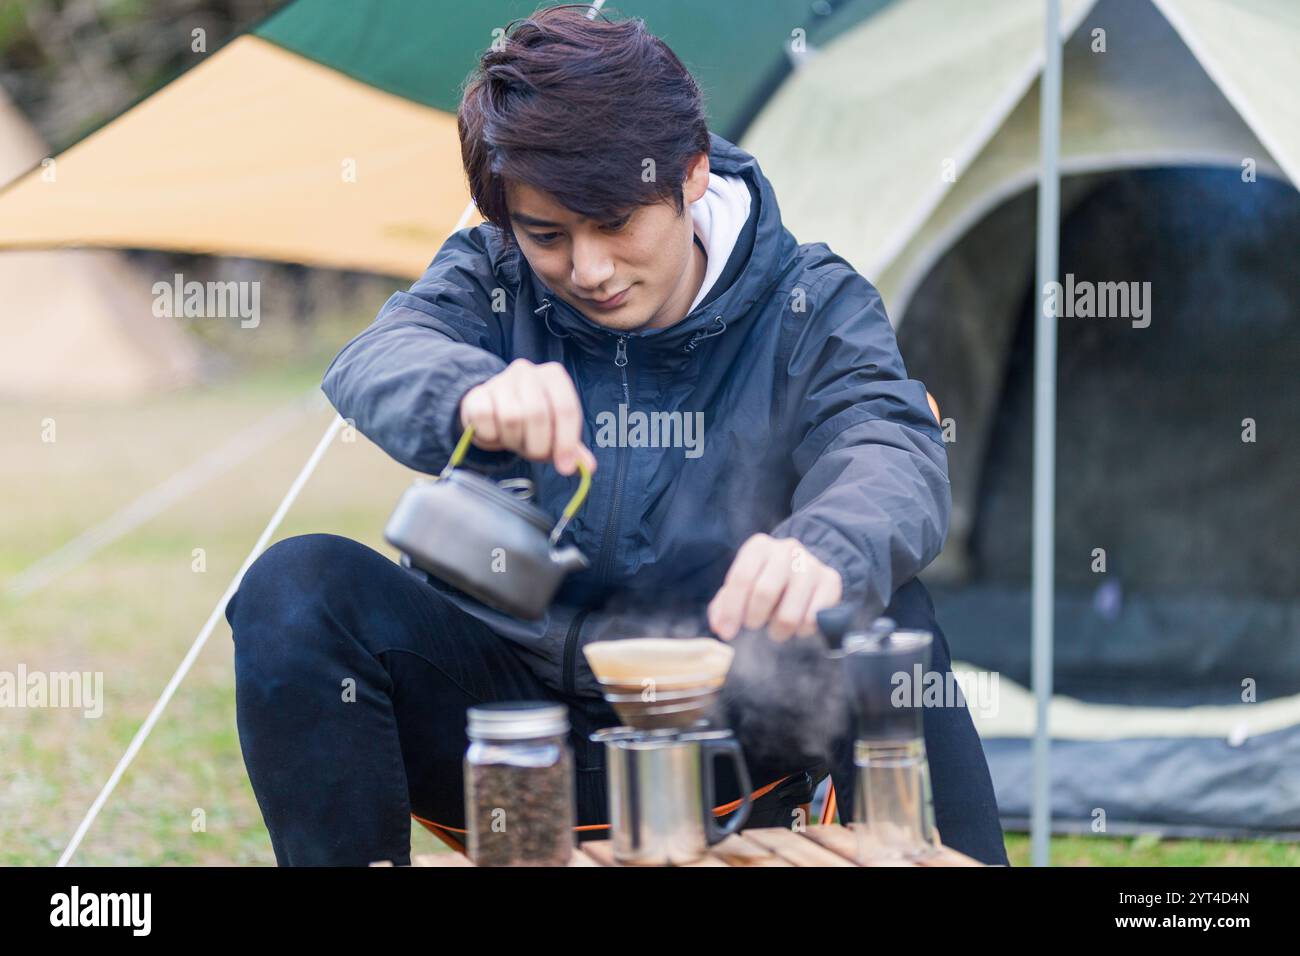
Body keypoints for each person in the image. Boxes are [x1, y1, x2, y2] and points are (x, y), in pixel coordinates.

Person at [226, 4, 1008, 866]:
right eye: (548, 235)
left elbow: (890, 442)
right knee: (295, 586)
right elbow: (376, 356)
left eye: (615, 223)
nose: (587, 270)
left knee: (886, 613)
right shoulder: (493, 274)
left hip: (731, 741)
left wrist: (823, 544)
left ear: (693, 172)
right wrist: (468, 391)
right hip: (509, 738)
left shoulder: (810, 302)